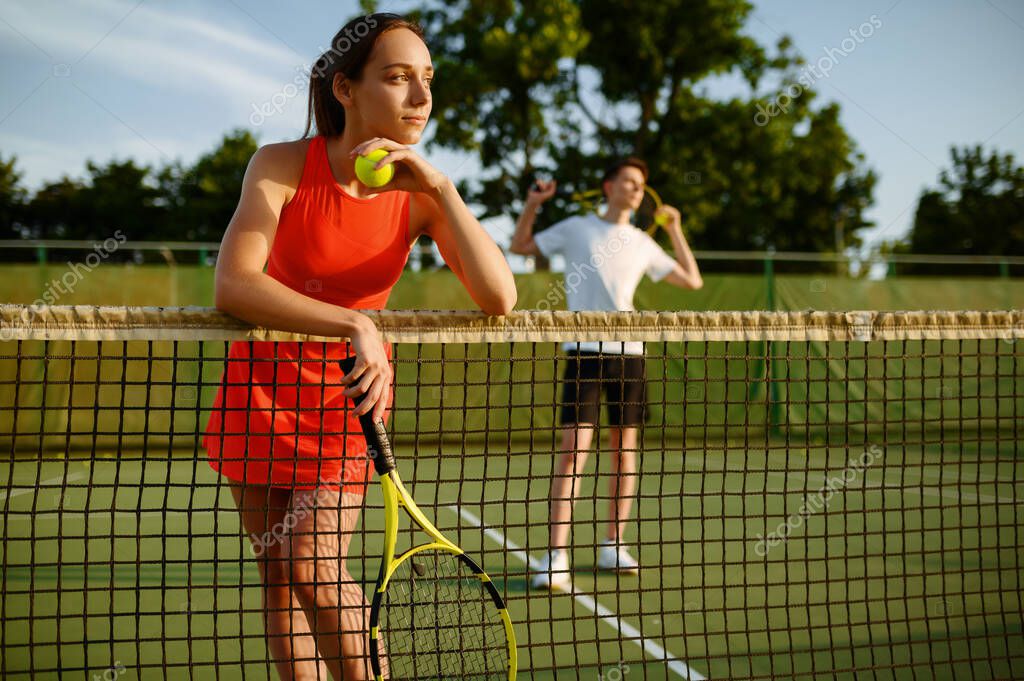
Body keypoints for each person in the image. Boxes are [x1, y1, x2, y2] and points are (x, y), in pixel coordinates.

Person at [202, 14, 515, 680]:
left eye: (428, 80)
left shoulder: (420, 197)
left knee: (315, 565)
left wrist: (442, 188)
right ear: (345, 88)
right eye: (398, 78)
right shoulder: (281, 164)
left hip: (347, 403)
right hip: (254, 398)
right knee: (279, 579)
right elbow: (234, 282)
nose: (421, 100)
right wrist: (356, 323)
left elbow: (499, 297)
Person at [509, 158, 702, 590]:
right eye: (628, 182)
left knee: (623, 453)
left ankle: (613, 544)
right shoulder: (576, 227)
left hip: (630, 353)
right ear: (609, 186)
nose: (635, 189)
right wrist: (533, 204)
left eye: (640, 185)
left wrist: (674, 228)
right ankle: (555, 555)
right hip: (584, 352)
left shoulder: (641, 241)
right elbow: (521, 246)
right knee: (573, 453)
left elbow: (692, 280)